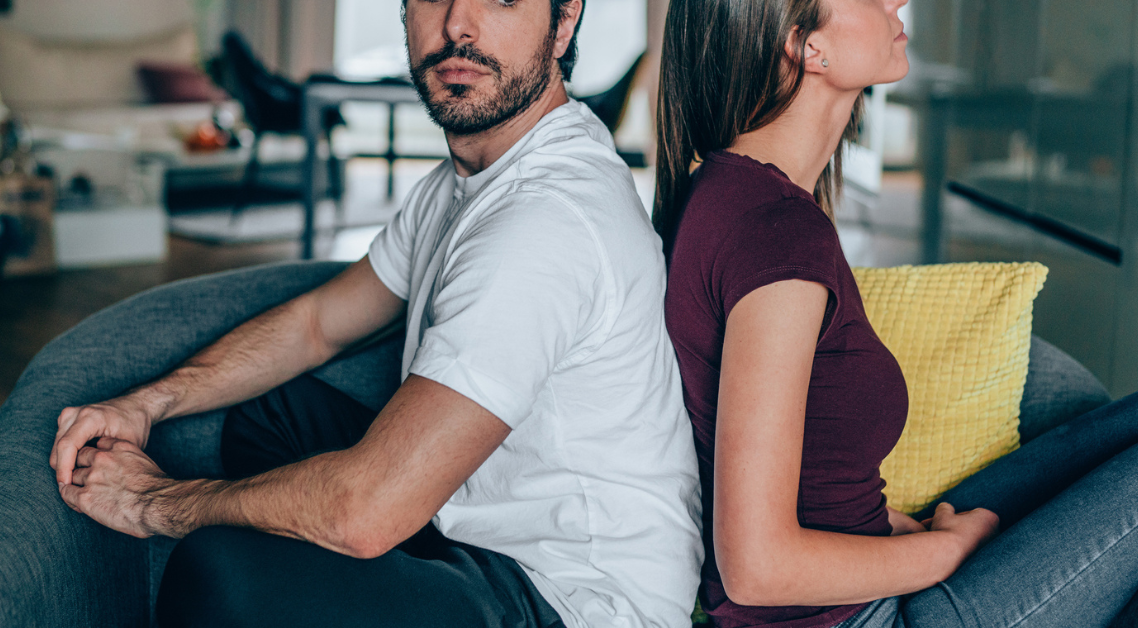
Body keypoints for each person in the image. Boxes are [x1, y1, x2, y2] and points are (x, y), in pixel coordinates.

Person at [48, 1, 703, 626]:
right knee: (273, 413)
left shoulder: (544, 221)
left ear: (563, 23)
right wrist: (147, 404)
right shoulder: (461, 183)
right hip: (468, 524)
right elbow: (316, 325)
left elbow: (366, 511)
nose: (457, 25)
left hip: (568, 598)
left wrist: (152, 502)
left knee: (221, 573)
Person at [654, 0, 1138, 627]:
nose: (897, 1)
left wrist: (903, 530)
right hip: (860, 620)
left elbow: (798, 470)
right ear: (807, 46)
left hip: (871, 571)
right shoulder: (775, 233)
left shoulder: (733, 191)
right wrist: (945, 549)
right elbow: (756, 568)